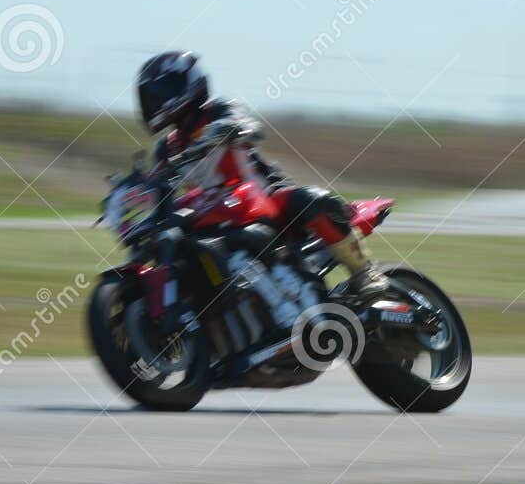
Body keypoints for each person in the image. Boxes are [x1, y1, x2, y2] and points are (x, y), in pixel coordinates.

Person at [134, 51, 389, 314]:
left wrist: (229, 129)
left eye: (163, 91)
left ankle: (364, 273)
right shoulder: (166, 148)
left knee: (313, 200)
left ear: (188, 83)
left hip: (265, 199)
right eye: (151, 96)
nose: (156, 101)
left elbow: (250, 127)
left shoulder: (218, 111)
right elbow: (159, 187)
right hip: (215, 215)